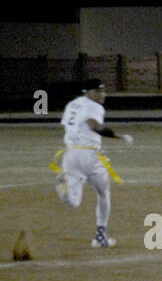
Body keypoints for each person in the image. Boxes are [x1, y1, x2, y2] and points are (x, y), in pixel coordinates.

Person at [52, 78, 132, 248]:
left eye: (103, 90)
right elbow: (96, 127)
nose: (102, 94)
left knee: (74, 202)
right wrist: (120, 136)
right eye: (98, 91)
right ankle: (100, 235)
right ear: (87, 92)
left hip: (70, 154)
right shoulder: (94, 107)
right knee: (103, 194)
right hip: (89, 156)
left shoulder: (72, 105)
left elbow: (70, 126)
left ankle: (64, 188)